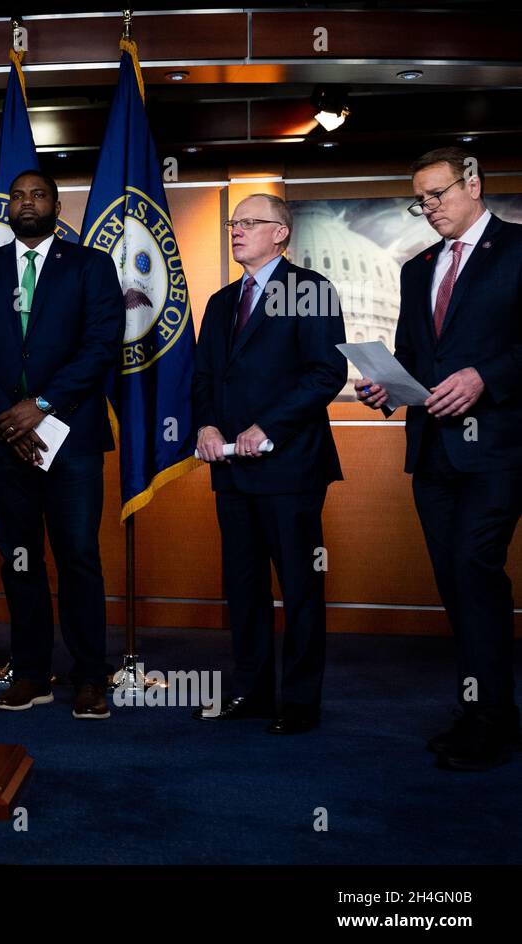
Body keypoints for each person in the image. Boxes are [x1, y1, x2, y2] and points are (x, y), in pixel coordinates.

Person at [355, 147, 522, 770]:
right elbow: (414, 356)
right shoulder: (417, 266)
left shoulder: (517, 249)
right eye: (419, 200)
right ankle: (487, 704)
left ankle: (488, 719)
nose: (428, 209)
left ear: (474, 183)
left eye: (438, 195)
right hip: (432, 453)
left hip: (499, 450)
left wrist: (486, 376)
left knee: (475, 568)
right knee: (454, 581)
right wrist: (388, 387)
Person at [0, 169, 124, 719]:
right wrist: (9, 415)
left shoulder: (91, 267)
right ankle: (30, 673)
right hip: (3, 442)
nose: (27, 203)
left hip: (71, 438)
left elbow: (101, 346)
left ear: (55, 203)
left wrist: (41, 406)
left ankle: (90, 677)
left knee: (78, 557)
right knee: (18, 560)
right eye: (18, 196)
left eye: (38, 195)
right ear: (8, 206)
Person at [191, 193, 346, 734]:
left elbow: (325, 373)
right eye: (234, 223)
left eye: (249, 223)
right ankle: (252, 691)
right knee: (245, 585)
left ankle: (300, 702)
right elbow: (204, 379)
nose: (236, 230)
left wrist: (269, 428)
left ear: (280, 233)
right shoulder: (221, 301)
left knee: (300, 586)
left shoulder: (310, 290)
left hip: (291, 468)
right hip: (231, 468)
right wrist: (207, 426)